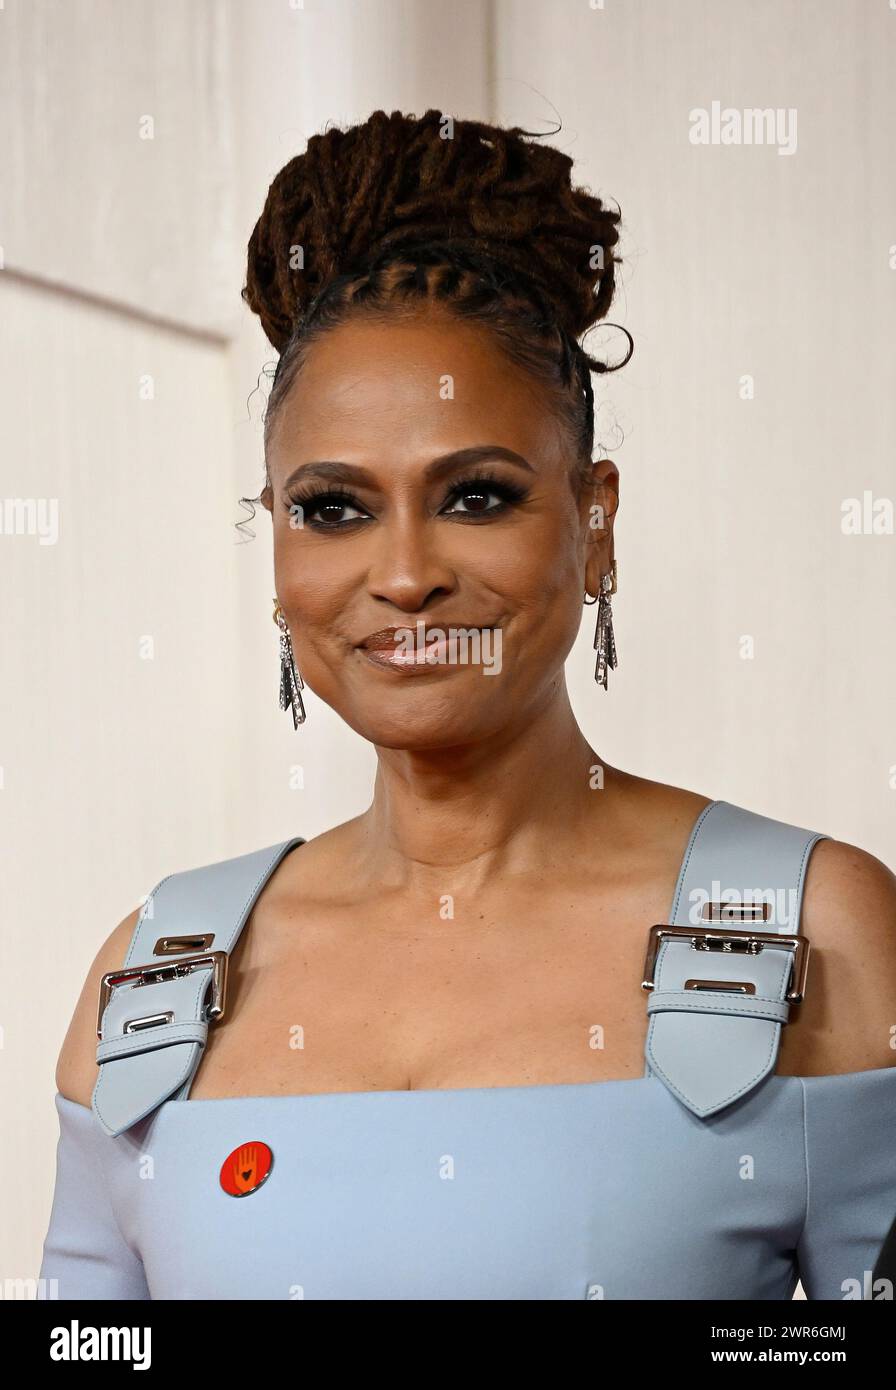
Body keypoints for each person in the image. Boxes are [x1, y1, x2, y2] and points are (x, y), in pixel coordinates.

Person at [39, 109, 896, 1301]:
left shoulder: (819, 930)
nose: (402, 573)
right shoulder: (152, 979)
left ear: (594, 519)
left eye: (477, 495)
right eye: (332, 507)